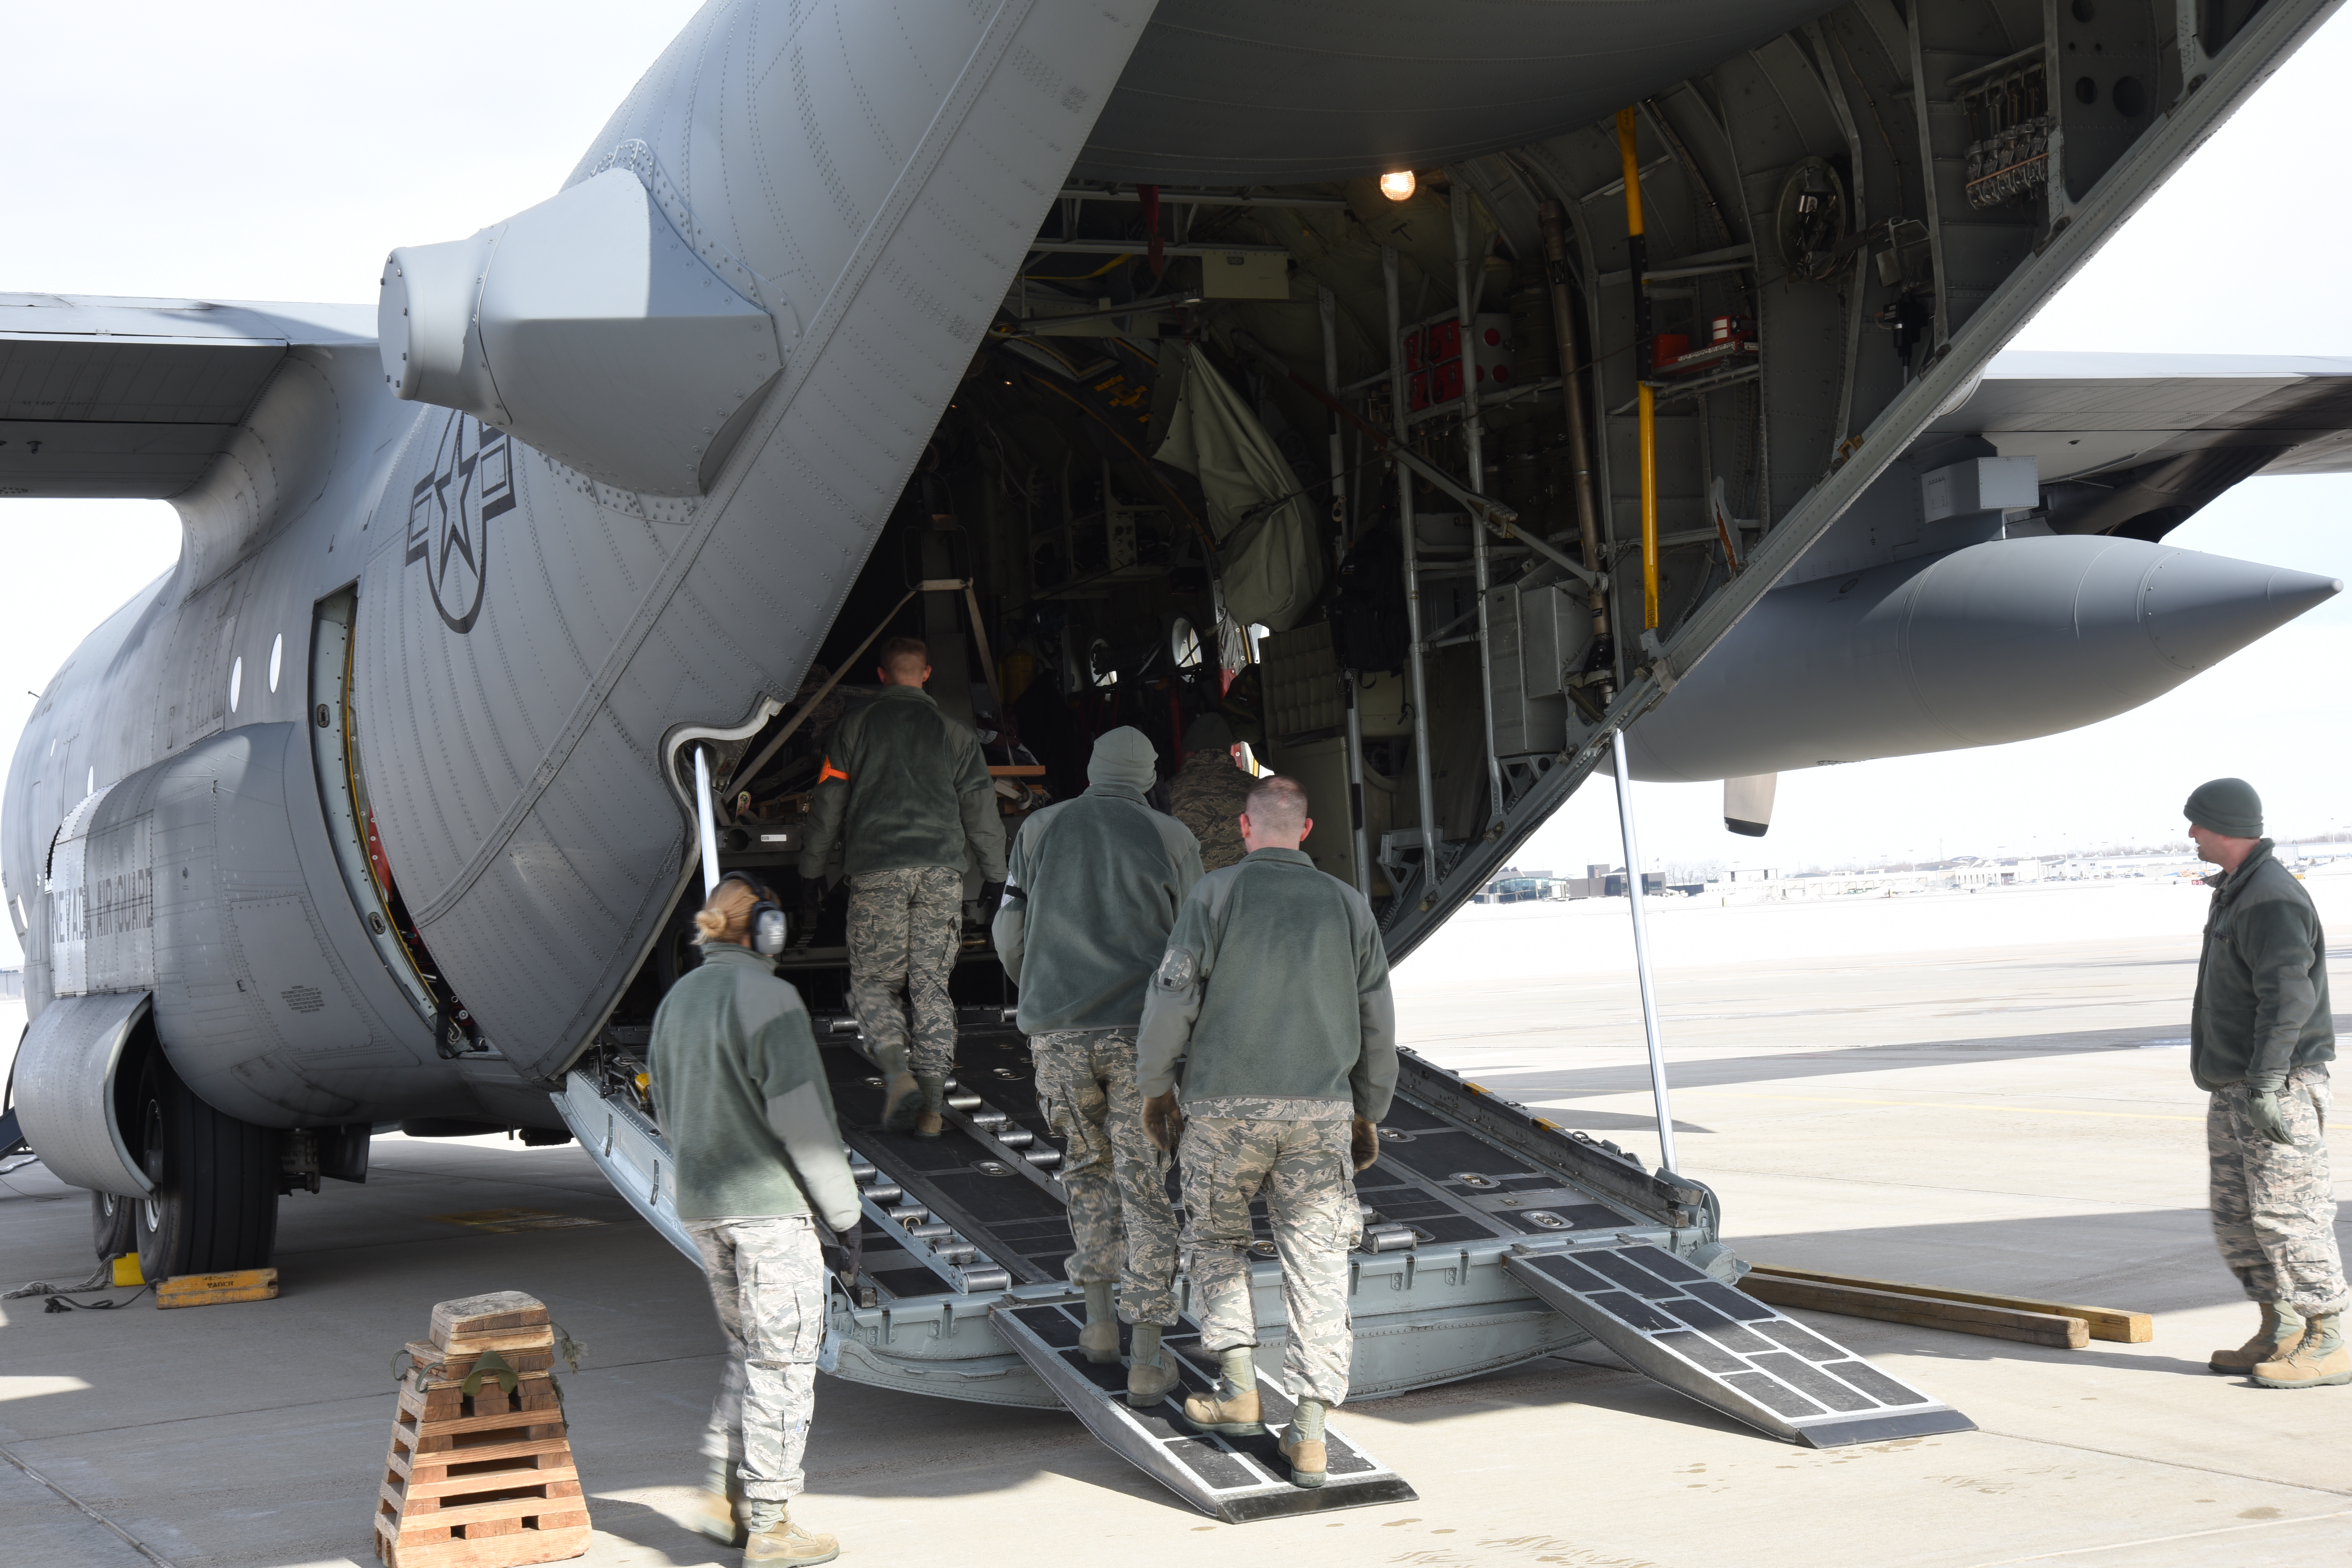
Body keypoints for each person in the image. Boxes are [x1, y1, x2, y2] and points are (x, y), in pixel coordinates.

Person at [1135, 773, 1396, 1488]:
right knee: (1317, 1264)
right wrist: (1369, 1106)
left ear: (1246, 829)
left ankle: (1239, 1388)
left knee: (1216, 1243)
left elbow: (1173, 995)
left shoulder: (1214, 895)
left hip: (1224, 1114)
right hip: (1319, 1117)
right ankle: (1310, 1436)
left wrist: (1156, 1085)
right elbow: (1378, 1019)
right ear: (1305, 831)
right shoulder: (1348, 906)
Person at [647, 876, 860, 1566]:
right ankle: (770, 1525)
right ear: (762, 929)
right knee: (784, 1362)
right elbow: (804, 1120)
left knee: (748, 1353)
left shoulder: (677, 1001)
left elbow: (666, 1114)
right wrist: (845, 1215)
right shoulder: (770, 998)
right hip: (768, 1213)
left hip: (704, 1208)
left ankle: (721, 1492)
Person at [993, 727, 1204, 1405]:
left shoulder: (1040, 828)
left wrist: (1039, 988)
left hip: (1059, 1034)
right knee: (1146, 1189)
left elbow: (1007, 928)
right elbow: (1197, 948)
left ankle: (1099, 1328)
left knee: (1086, 1172)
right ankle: (1147, 1358)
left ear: (1090, 768)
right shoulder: (1173, 839)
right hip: (1142, 1039)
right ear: (1146, 777)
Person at [799, 635, 1006, 1137]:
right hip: (940, 873)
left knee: (874, 982)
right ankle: (933, 1110)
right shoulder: (954, 734)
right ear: (927, 674)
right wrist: (998, 877)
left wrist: (810, 872)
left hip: (878, 871)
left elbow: (828, 804)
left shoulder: (853, 727)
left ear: (881, 674)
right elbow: (982, 811)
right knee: (932, 986)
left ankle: (897, 1076)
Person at [2185, 778, 2348, 1389]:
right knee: (2240, 1217)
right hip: (2237, 1084)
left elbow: (2289, 999)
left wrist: (2268, 1083)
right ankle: (2279, 1327)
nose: (2192, 834)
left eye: (2197, 823)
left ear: (2223, 825)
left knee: (2291, 1212)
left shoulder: (2271, 898)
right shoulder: (2236, 892)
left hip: (2274, 1086)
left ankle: (2329, 1339)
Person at [1167, 712, 1254, 871]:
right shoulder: (1259, 788)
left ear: (1191, 754)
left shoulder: (1168, 793)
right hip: (1254, 888)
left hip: (1198, 893)